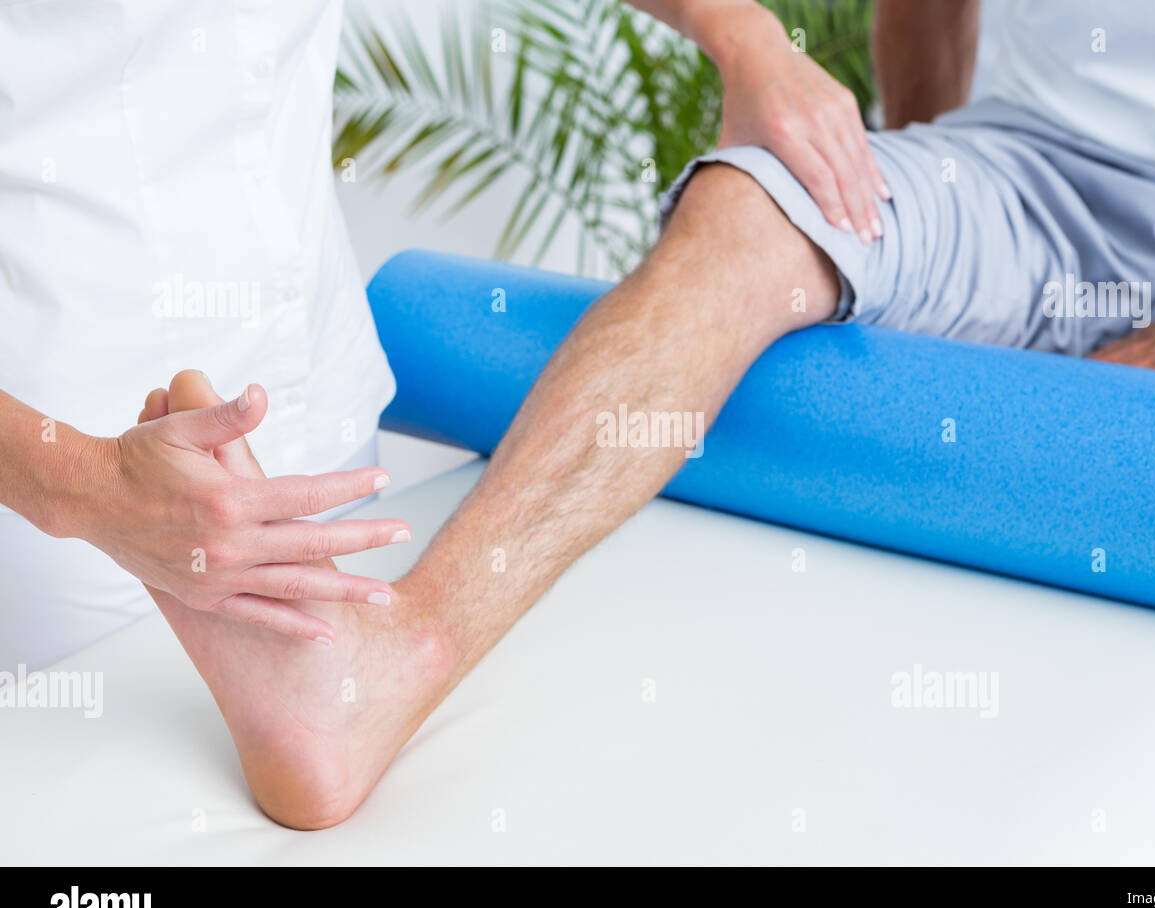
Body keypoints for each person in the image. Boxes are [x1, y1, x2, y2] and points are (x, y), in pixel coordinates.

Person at [20, 0, 1155, 830]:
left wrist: (743, 37)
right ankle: (388, 660)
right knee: (753, 201)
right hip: (50, 424)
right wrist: (78, 484)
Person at [0, 0, 875, 670]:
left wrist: (743, 36)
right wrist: (90, 488)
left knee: (329, 745)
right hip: (72, 478)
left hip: (317, 410)